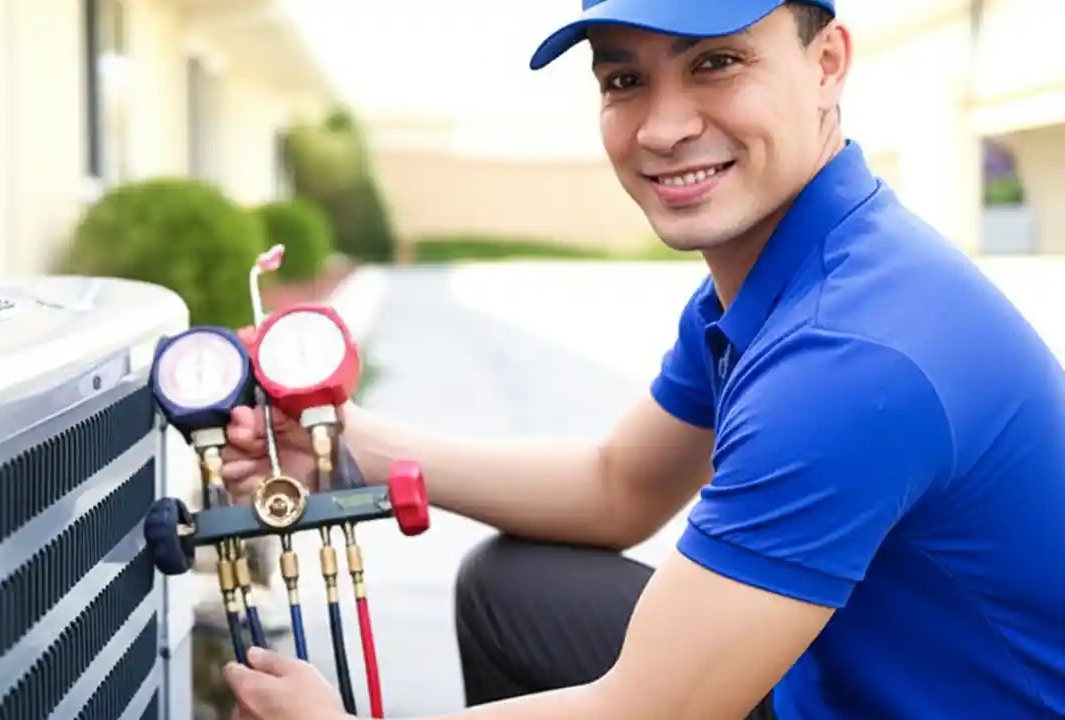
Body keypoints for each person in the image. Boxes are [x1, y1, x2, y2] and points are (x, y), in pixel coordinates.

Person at [216, 0, 1065, 717]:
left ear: (828, 62)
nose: (663, 128)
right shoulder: (784, 274)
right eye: (626, 79)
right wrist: (343, 445)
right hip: (829, 691)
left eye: (718, 63)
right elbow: (618, 487)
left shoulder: (851, 355)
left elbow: (646, 709)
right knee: (519, 591)